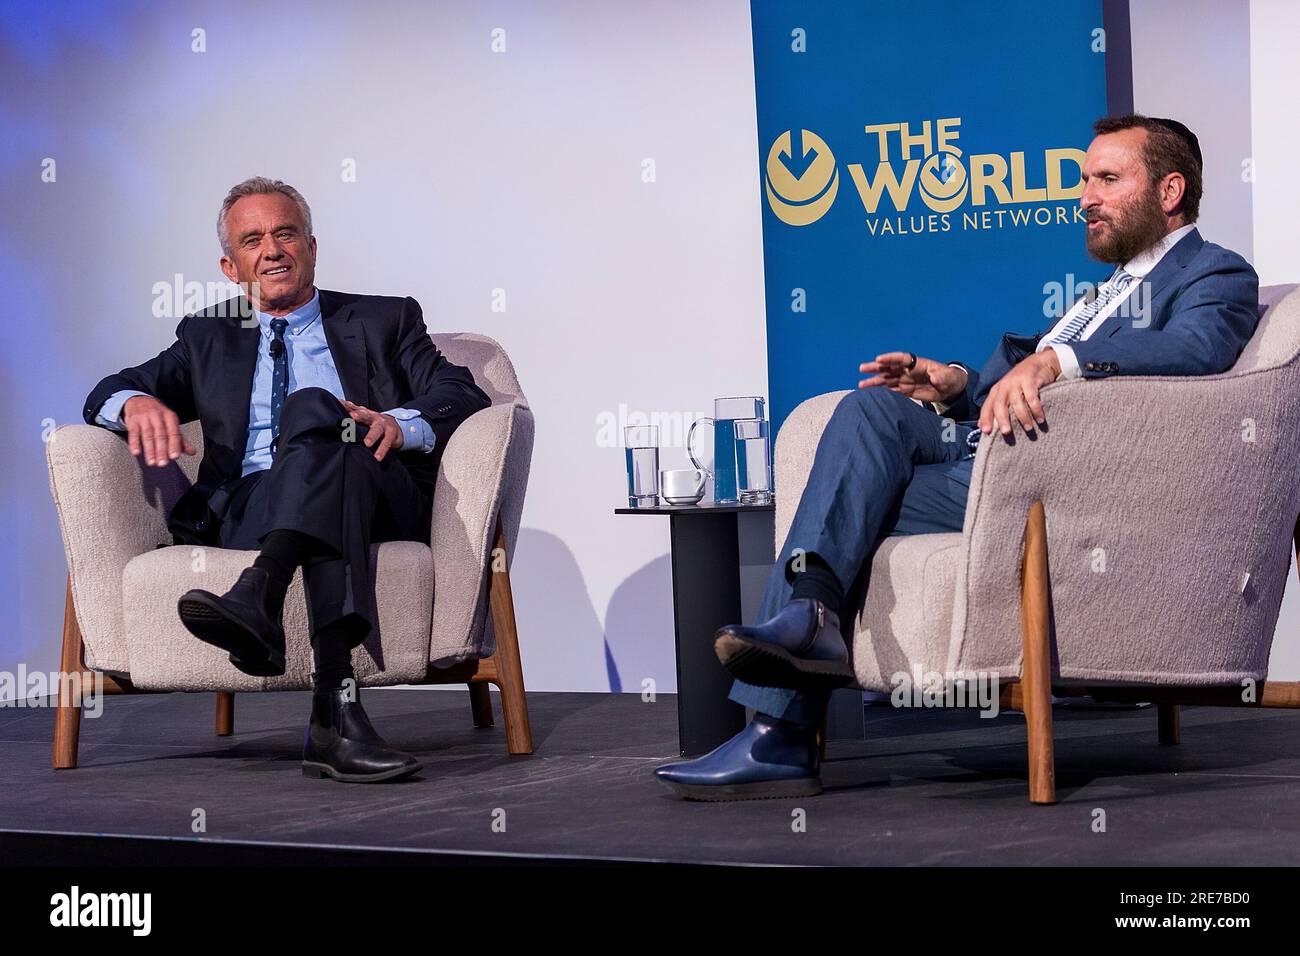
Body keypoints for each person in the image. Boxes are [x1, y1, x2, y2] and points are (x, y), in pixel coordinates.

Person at [656, 115, 1261, 801]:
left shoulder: (1215, 272)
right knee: (871, 409)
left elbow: (1198, 351)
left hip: (1065, 486)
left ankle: (781, 732)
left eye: (1106, 179)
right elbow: (1019, 394)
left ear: (1171, 189)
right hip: (992, 463)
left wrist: (1058, 358)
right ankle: (811, 621)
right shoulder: (1109, 289)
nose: (1085, 196)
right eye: (1083, 179)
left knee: (849, 498)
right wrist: (955, 388)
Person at [84, 177, 491, 783]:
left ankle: (260, 592)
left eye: (285, 233)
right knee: (322, 432)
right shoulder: (207, 335)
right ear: (231, 266)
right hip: (253, 505)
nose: (271, 249)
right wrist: (136, 403)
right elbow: (102, 392)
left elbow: (461, 392)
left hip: (374, 490)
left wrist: (398, 424)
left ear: (312, 246)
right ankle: (336, 718)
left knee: (317, 411)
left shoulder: (384, 319)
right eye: (253, 240)